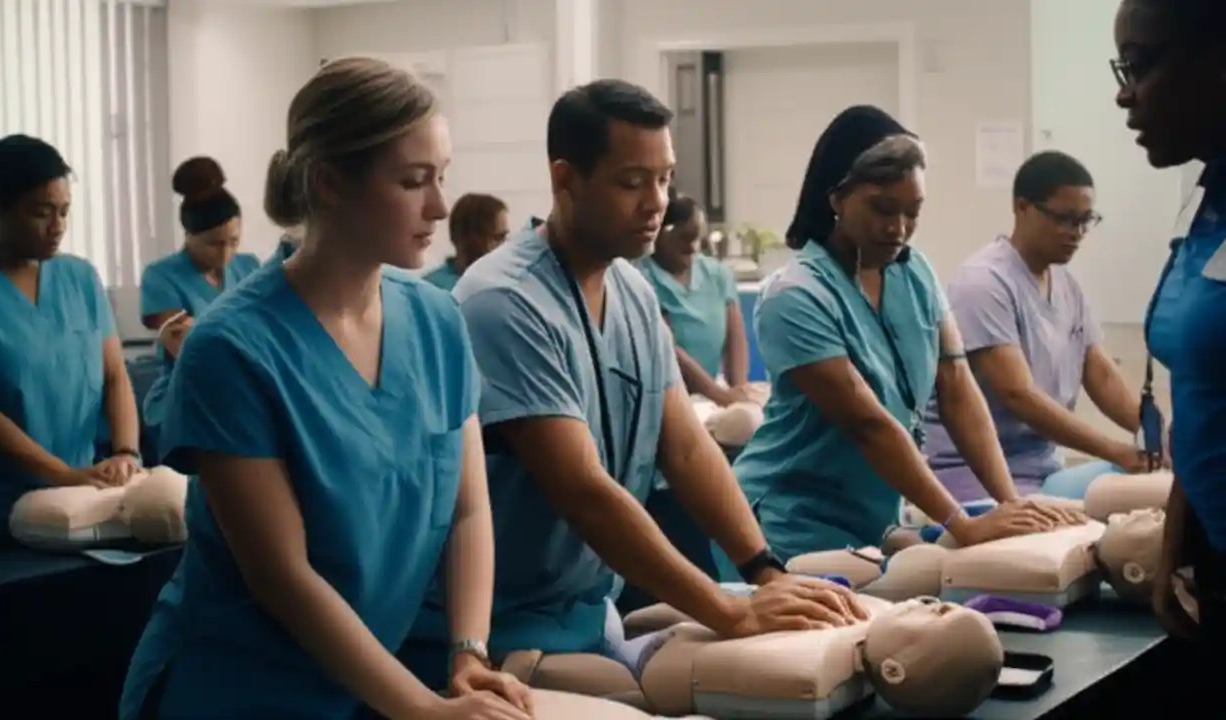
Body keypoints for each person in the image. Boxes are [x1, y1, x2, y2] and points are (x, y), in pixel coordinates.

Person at [399, 79, 870, 692]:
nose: (657, 202)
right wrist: (728, 610)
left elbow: (688, 449)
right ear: (566, 180)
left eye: (665, 179)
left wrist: (764, 571)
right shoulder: (503, 302)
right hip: (498, 634)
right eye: (632, 182)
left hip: (591, 614)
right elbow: (585, 492)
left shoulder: (632, 291)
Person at [119, 57, 533, 720]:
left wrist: (467, 655)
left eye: (442, 178)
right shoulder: (232, 350)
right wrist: (423, 711)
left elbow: (467, 510)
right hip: (242, 690)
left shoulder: (435, 319)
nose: (439, 207)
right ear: (330, 182)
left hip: (371, 687)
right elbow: (282, 577)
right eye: (413, 181)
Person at [731, 106, 1081, 560]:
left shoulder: (914, 273)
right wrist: (960, 523)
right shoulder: (796, 295)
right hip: (787, 523)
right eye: (882, 209)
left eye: (912, 212)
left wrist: (1009, 502)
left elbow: (957, 390)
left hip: (870, 521)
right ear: (836, 198)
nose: (898, 228)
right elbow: (868, 424)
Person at [923, 151, 1151, 503]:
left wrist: (1153, 435)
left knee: (1153, 486)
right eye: (1063, 219)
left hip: (1042, 472)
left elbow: (1102, 375)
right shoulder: (983, 283)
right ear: (1022, 207)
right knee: (1085, 525)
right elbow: (1018, 395)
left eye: (1084, 221)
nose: (1075, 233)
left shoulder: (1067, 286)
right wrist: (1115, 450)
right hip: (974, 473)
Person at [0, 135, 140, 545]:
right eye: (42, 213)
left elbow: (115, 377)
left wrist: (126, 452)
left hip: (84, 503)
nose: (58, 227)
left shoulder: (81, 278)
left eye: (65, 212)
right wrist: (61, 474)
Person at [1112, 0, 1226, 664]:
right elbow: (1205, 396)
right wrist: (1177, 543)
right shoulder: (1208, 199)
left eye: (1142, 66)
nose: (1125, 95)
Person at [138, 158, 261, 431]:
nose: (226, 254)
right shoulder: (161, 276)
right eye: (214, 244)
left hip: (245, 395)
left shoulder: (250, 267)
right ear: (189, 235)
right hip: (187, 397)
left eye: (234, 242)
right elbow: (187, 346)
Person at [636, 193, 753, 407]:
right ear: (660, 234)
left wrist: (739, 390)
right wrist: (719, 396)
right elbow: (669, 349)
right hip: (666, 397)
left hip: (711, 396)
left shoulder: (717, 274)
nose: (694, 247)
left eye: (698, 238)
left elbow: (735, 338)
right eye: (685, 237)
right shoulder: (641, 278)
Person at [422, 193, 509, 291]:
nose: (505, 245)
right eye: (498, 238)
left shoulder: (511, 283)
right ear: (472, 239)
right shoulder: (430, 289)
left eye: (505, 237)